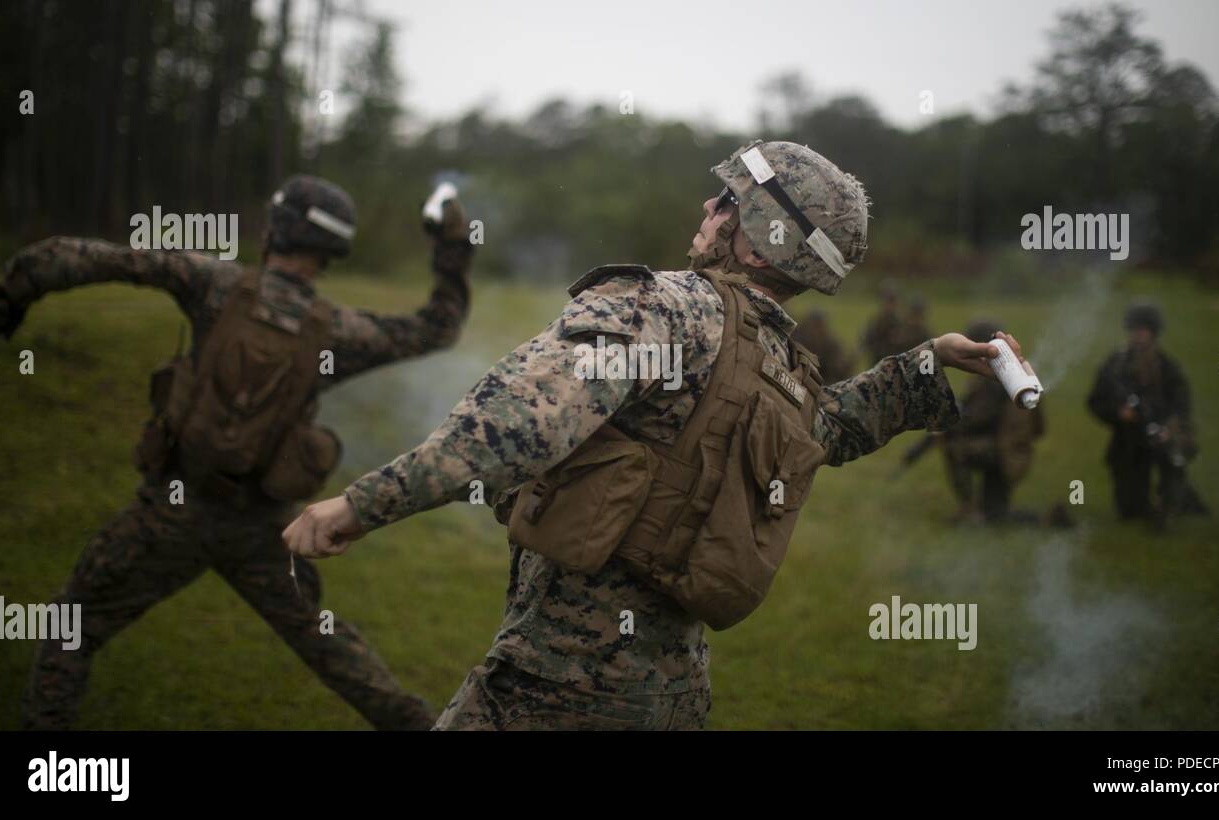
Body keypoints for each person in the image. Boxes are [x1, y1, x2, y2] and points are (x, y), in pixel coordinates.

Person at [282, 141, 1026, 730]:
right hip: (672, 696)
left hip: (554, 682)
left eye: (731, 198)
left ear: (762, 235)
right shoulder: (783, 366)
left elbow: (517, 422)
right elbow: (826, 428)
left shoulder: (663, 307)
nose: (709, 204)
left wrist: (357, 504)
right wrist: (926, 365)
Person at [0, 175, 472, 729]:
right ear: (332, 248)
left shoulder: (212, 283)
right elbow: (438, 327)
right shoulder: (339, 331)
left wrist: (17, 292)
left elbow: (95, 258)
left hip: (170, 512)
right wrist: (451, 242)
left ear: (277, 229)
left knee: (72, 629)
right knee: (338, 658)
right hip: (265, 529)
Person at [1086, 302, 1208, 528]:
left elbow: (1182, 407)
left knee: (1173, 461)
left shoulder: (1168, 368)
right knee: (1130, 511)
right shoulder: (1115, 366)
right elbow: (1095, 401)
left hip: (1163, 436)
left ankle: (1174, 500)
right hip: (1128, 441)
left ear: (1154, 332)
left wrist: (1169, 430)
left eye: (1144, 329)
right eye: (1135, 329)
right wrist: (1118, 414)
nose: (1139, 335)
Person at [941, 320, 1045, 523]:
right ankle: (1050, 519)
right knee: (996, 514)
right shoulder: (1015, 372)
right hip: (1012, 448)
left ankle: (968, 511)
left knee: (956, 449)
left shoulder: (997, 379)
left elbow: (977, 418)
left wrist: (948, 426)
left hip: (1002, 451)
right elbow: (1040, 428)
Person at [790, 309, 857, 383]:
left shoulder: (831, 345)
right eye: (815, 325)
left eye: (820, 325)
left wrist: (848, 364)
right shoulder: (798, 339)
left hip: (824, 383)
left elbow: (839, 371)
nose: (817, 330)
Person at [861, 279, 907, 363]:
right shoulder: (877, 322)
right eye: (888, 301)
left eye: (893, 301)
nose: (891, 305)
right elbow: (866, 342)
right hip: (878, 363)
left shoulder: (903, 322)